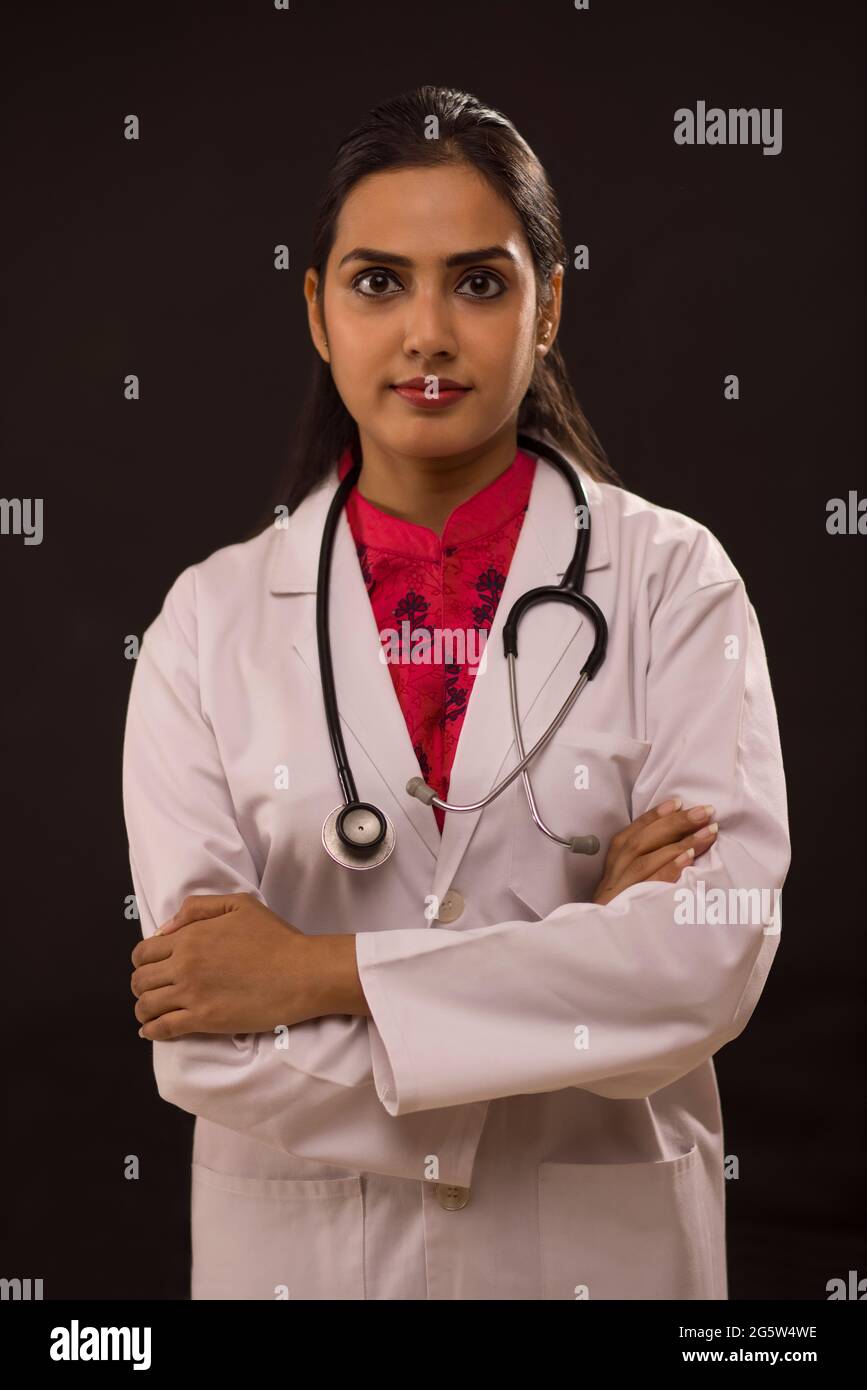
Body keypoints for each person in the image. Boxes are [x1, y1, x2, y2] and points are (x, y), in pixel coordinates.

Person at [123, 84, 790, 1301]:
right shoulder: (206, 624)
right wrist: (574, 967)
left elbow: (704, 958)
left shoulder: (673, 582)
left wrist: (322, 972)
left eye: (479, 282)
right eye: (380, 281)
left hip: (603, 1256)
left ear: (549, 307)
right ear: (318, 310)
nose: (428, 331)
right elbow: (210, 1024)